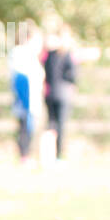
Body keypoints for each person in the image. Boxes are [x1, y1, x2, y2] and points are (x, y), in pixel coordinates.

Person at [9, 21, 43, 162]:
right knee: (24, 126)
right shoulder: (20, 52)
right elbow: (21, 76)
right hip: (25, 95)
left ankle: (27, 154)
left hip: (31, 95)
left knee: (29, 126)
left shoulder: (27, 53)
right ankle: (24, 155)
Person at [43, 24, 77, 161]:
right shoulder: (68, 55)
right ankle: (58, 155)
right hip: (63, 94)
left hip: (50, 93)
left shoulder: (49, 55)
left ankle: (47, 155)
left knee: (51, 124)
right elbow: (73, 75)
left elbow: (46, 72)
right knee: (61, 125)